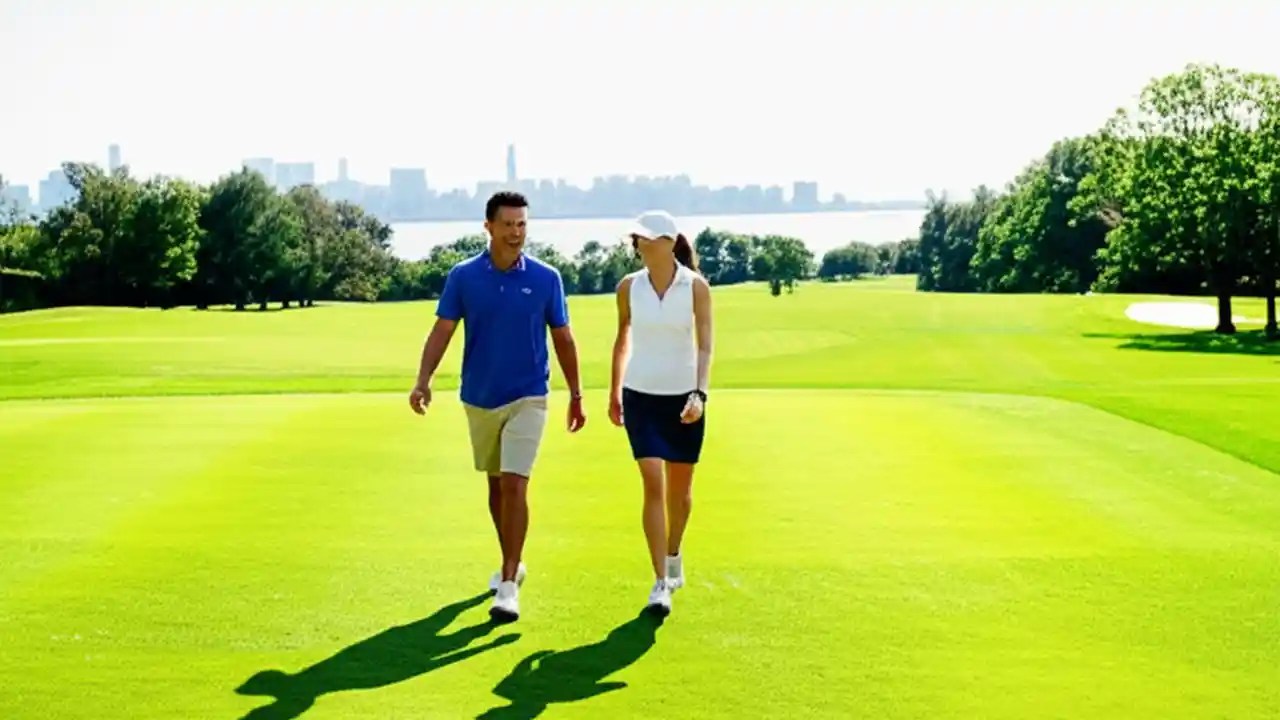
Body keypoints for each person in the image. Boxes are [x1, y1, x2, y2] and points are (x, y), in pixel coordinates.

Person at [409, 191, 586, 624]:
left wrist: (577, 394)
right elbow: (442, 330)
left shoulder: (547, 278)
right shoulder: (464, 276)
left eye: (522, 224)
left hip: (530, 395)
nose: (516, 232)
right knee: (495, 488)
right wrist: (423, 381)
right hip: (480, 398)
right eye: (508, 224)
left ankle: (508, 585)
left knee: (514, 484)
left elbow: (563, 338)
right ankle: (513, 556)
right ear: (488, 226)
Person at [608, 209, 713, 617]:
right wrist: (615, 389)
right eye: (638, 239)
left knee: (679, 494)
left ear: (670, 243)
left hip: (684, 398)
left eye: (649, 239)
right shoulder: (627, 287)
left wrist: (700, 395)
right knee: (652, 482)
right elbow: (622, 340)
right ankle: (659, 582)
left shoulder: (696, 288)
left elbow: (705, 346)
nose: (641, 245)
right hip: (640, 396)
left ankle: (673, 552)